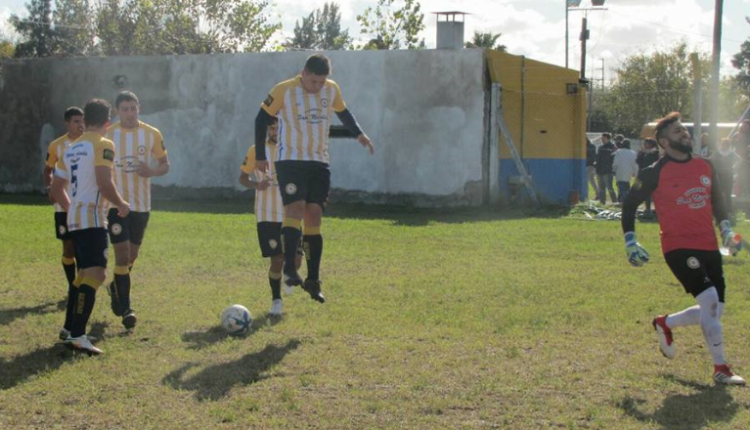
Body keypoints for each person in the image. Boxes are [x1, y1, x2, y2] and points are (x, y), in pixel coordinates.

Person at [621, 112, 745, 385]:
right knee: (710, 301)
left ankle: (664, 323)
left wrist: (725, 230)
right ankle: (721, 368)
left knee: (714, 309)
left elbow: (718, 201)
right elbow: (629, 204)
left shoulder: (705, 165)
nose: (685, 134)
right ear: (664, 142)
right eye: (678, 132)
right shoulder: (653, 172)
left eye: (684, 130)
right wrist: (630, 240)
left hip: (708, 245)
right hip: (677, 246)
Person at [254, 54, 374, 303]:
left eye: (322, 82)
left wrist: (359, 134)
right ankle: (289, 267)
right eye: (313, 81)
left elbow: (344, 113)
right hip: (291, 160)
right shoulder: (283, 90)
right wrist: (260, 155)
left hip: (319, 162)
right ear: (304, 73)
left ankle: (313, 279)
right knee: (295, 209)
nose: (317, 86)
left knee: (314, 215)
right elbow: (261, 118)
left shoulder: (331, 90)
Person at [50, 99, 130, 355]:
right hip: (93, 217)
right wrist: (121, 203)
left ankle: (69, 328)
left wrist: (73, 206)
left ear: (85, 121)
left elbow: (55, 189)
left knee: (83, 274)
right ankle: (77, 335)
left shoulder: (71, 147)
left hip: (74, 216)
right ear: (108, 122)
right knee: (96, 274)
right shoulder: (104, 144)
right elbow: (104, 182)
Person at [105, 91, 171, 329]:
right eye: (125, 109)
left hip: (142, 206)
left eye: (133, 108)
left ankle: (115, 286)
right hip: (116, 204)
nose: (130, 113)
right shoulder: (108, 134)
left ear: (139, 108)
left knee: (131, 257)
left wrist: (151, 171)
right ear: (116, 111)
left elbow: (165, 165)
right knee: (122, 256)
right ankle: (127, 310)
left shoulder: (151, 133)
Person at [239, 117, 303, 316]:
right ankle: (276, 300)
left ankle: (288, 273)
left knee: (297, 261)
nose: (275, 131)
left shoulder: (294, 150)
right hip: (266, 214)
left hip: (290, 213)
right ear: (267, 130)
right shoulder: (255, 150)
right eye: (272, 128)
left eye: (278, 128)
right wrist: (256, 185)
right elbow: (242, 178)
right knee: (276, 260)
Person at [43, 107, 84, 337]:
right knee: (68, 246)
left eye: (83, 121)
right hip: (62, 206)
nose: (81, 125)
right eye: (76, 121)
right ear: (67, 123)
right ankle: (72, 285)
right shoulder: (57, 146)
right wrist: (50, 188)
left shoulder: (91, 144)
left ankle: (79, 286)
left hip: (83, 206)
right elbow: (47, 170)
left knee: (82, 249)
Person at [710, 138, 739, 215]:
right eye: (723, 144)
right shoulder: (717, 153)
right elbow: (710, 160)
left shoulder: (731, 153)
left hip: (728, 175)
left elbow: (739, 160)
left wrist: (734, 167)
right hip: (719, 175)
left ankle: (729, 210)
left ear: (728, 145)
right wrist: (714, 168)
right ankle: (719, 209)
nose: (724, 146)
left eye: (726, 144)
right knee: (719, 193)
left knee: (728, 193)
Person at [636, 138, 660, 215]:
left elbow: (651, 163)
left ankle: (656, 209)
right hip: (643, 174)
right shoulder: (643, 153)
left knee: (654, 193)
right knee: (645, 193)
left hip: (651, 175)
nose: (644, 145)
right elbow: (638, 161)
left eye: (646, 143)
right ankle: (647, 208)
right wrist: (641, 153)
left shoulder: (655, 152)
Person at [612, 139, 638, 203]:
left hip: (620, 172)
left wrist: (614, 170)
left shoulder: (619, 152)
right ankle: (625, 200)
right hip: (628, 173)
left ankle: (623, 201)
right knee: (626, 187)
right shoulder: (633, 153)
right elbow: (635, 164)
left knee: (621, 188)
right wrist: (635, 172)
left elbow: (616, 163)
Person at [595, 133, 617, 205]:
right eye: (602, 138)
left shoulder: (613, 147)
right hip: (600, 170)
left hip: (608, 171)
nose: (602, 140)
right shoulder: (600, 147)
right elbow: (598, 159)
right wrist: (597, 168)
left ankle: (615, 202)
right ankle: (602, 202)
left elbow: (614, 159)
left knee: (609, 188)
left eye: (604, 138)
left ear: (608, 138)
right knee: (601, 188)